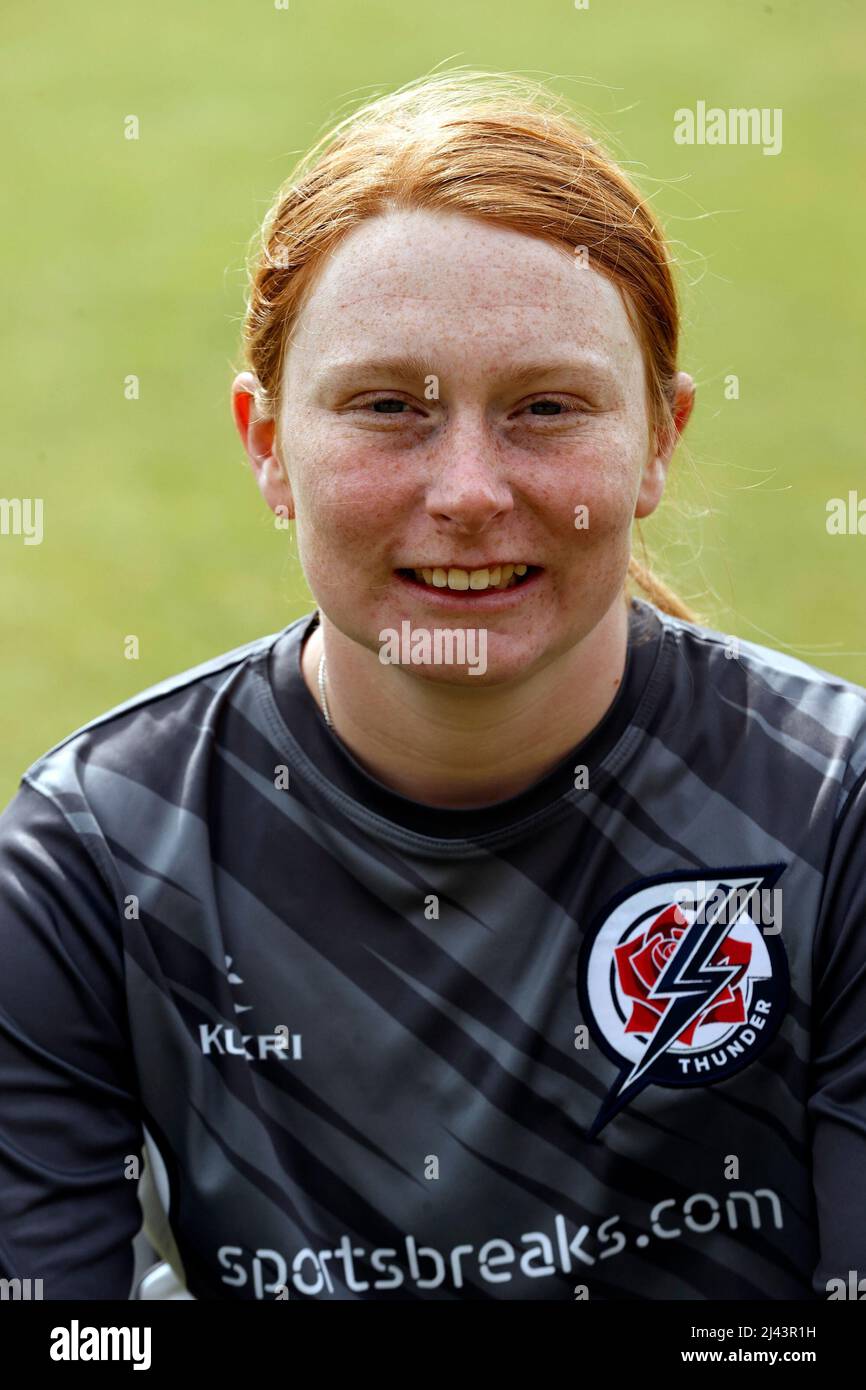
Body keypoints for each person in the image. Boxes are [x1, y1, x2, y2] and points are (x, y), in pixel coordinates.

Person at [1, 69, 864, 1302]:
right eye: (389, 407)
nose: (466, 491)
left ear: (658, 442)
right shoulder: (90, 859)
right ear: (265, 444)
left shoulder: (835, 808)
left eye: (545, 407)